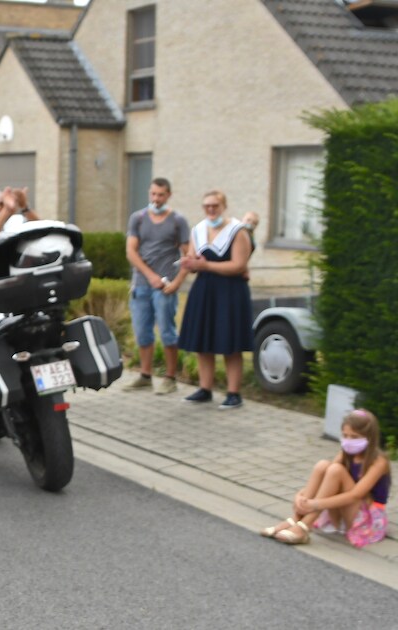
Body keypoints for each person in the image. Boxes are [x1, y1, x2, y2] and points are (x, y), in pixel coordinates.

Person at [260, 409, 391, 546]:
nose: (348, 441)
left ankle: (304, 526)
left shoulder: (379, 461)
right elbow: (326, 480)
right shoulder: (346, 453)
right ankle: (297, 519)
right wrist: (301, 496)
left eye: (354, 437)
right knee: (323, 466)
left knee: (336, 470)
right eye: (345, 436)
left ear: (370, 438)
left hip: (366, 521)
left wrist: (315, 504)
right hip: (342, 513)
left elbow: (355, 495)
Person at [176, 190, 253, 409]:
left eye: (215, 206)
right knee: (204, 341)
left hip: (230, 291)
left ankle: (233, 393)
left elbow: (239, 265)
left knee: (230, 343)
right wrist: (190, 264)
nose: (210, 210)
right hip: (205, 289)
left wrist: (205, 265)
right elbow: (193, 260)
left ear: (223, 206)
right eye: (207, 206)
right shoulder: (198, 230)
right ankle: (205, 388)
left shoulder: (237, 231)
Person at [124, 177, 190, 395]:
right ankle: (145, 375)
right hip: (141, 285)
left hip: (165, 286)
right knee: (142, 332)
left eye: (161, 195)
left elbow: (188, 255)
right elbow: (131, 252)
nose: (156, 199)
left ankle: (170, 378)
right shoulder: (138, 218)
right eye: (153, 194)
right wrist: (150, 276)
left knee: (168, 332)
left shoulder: (178, 221)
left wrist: (177, 283)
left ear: (168, 195)